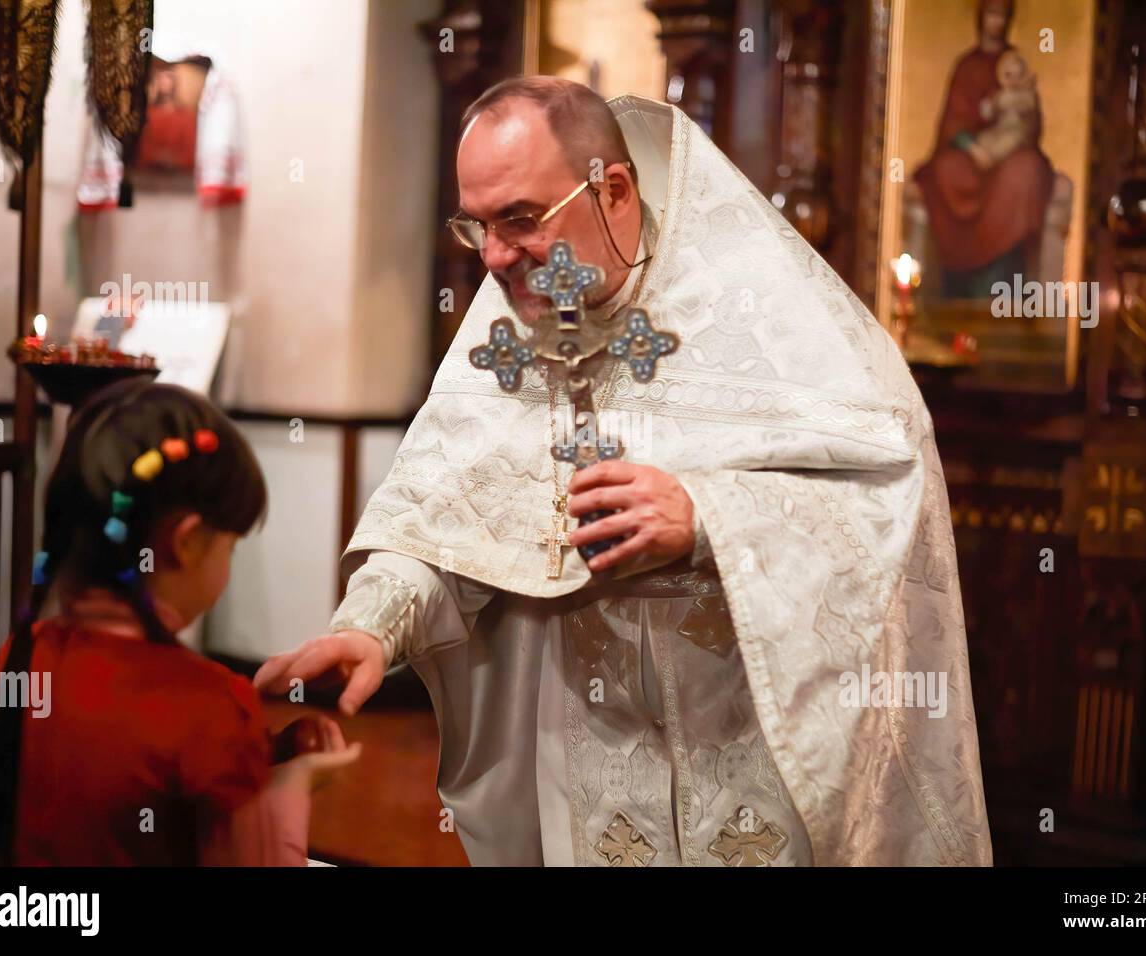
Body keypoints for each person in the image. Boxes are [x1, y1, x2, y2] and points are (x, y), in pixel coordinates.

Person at [257, 77, 992, 866]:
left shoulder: (760, 301)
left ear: (612, 188)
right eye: (477, 226)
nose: (496, 258)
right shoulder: (511, 324)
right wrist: (373, 624)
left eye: (521, 220)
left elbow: (887, 486)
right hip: (587, 745)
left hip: (754, 743)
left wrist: (708, 516)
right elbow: (449, 514)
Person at [0, 379, 358, 865]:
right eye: (231, 546)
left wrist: (259, 756)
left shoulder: (18, 657)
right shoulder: (212, 703)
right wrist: (292, 786)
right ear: (187, 542)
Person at [912, 0, 1053, 298]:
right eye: (991, 14)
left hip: (1008, 157)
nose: (996, 22)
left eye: (1002, 15)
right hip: (971, 155)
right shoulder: (967, 66)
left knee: (1026, 172)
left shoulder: (1016, 65)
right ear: (980, 17)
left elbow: (1031, 125)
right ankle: (960, 286)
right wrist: (975, 150)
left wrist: (1017, 129)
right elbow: (952, 125)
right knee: (945, 170)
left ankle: (1005, 286)